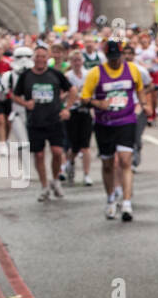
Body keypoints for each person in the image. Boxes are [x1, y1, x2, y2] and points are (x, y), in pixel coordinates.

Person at [79, 39, 147, 221]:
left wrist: (144, 104)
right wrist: (97, 103)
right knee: (108, 164)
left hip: (126, 121)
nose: (115, 61)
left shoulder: (133, 69)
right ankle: (110, 198)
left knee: (125, 161)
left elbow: (140, 88)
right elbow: (84, 98)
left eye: (117, 57)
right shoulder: (96, 73)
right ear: (106, 56)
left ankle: (126, 203)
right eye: (111, 58)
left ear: (122, 55)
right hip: (105, 124)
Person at [12, 44, 71, 201]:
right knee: (38, 155)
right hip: (35, 121)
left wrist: (67, 108)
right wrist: (25, 104)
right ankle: (44, 187)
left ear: (47, 58)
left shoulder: (55, 74)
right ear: (34, 58)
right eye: (37, 56)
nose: (40, 59)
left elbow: (71, 89)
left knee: (57, 152)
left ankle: (56, 180)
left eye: (43, 57)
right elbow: (15, 95)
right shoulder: (26, 76)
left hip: (54, 120)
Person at [62, 47, 94, 186]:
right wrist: (71, 96)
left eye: (79, 60)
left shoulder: (89, 74)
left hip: (85, 111)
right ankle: (70, 162)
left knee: (86, 145)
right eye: (74, 60)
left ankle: (86, 174)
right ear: (71, 62)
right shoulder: (68, 76)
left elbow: (93, 91)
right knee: (74, 146)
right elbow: (62, 95)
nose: (77, 62)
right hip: (73, 112)